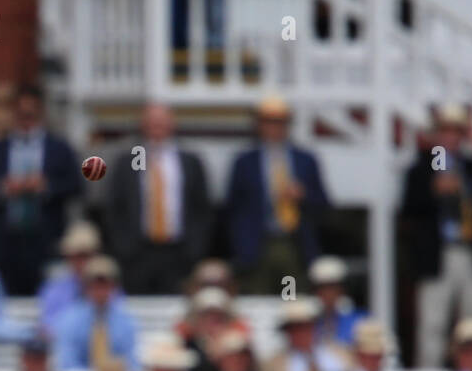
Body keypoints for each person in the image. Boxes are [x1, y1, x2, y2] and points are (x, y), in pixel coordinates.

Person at [400, 104, 472, 367]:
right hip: (439, 254)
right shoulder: (422, 167)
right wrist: (434, 191)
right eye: (446, 131)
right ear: (436, 134)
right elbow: (409, 208)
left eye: (457, 131)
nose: (451, 137)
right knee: (433, 322)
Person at [0, 84, 82, 295]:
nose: (26, 120)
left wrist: (46, 186)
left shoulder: (58, 149)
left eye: (31, 114)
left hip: (45, 240)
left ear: (40, 113)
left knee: (47, 294)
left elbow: (75, 186)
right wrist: (3, 188)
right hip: (6, 241)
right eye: (22, 114)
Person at [104, 102, 212, 293]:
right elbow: (115, 207)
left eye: (161, 122)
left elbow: (201, 207)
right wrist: (124, 248)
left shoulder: (190, 161)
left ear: (172, 124)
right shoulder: (129, 160)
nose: (157, 127)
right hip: (138, 253)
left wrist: (195, 248)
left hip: (179, 253)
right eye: (151, 122)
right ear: (142, 125)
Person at [225, 96, 330, 293]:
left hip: (292, 246)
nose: (274, 127)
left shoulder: (305, 160)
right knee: (257, 299)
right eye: (269, 121)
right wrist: (239, 245)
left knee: (290, 298)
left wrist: (303, 195)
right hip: (258, 246)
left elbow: (323, 203)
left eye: (280, 121)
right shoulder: (245, 162)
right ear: (259, 124)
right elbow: (233, 208)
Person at [49, 255, 138, 371]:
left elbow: (132, 364)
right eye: (95, 285)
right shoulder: (69, 320)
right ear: (86, 287)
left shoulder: (126, 322)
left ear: (114, 288)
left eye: (105, 285)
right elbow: (67, 364)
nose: (100, 291)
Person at [261, 301, 349, 371]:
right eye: (295, 328)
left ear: (313, 327)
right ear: (288, 332)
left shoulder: (339, 353)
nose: (301, 333)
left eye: (305, 327)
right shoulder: (273, 365)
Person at [38, 221, 102, 331]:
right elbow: (48, 324)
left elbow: (117, 323)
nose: (82, 261)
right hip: (63, 345)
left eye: (86, 255)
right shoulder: (55, 287)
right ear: (69, 257)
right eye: (77, 256)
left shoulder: (107, 284)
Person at [308, 256, 364, 348]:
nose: (327, 293)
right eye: (322, 288)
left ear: (341, 289)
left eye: (332, 287)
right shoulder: (307, 326)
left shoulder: (359, 321)